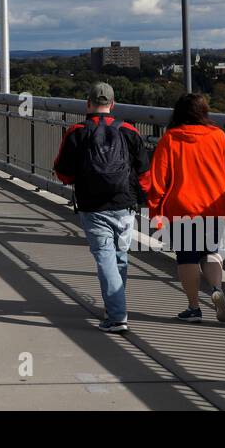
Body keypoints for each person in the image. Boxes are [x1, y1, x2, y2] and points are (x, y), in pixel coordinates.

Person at [53, 82, 151, 333]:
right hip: (125, 203)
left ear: (88, 104)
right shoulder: (129, 130)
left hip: (93, 205)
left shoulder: (77, 131)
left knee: (105, 258)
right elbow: (143, 170)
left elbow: (63, 172)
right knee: (120, 256)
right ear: (113, 105)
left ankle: (117, 315)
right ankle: (114, 307)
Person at [143, 93, 225, 324]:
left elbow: (158, 180)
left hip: (183, 208)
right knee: (210, 253)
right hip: (214, 207)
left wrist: (155, 213)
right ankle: (217, 289)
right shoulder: (218, 136)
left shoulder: (171, 138)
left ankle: (194, 307)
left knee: (187, 257)